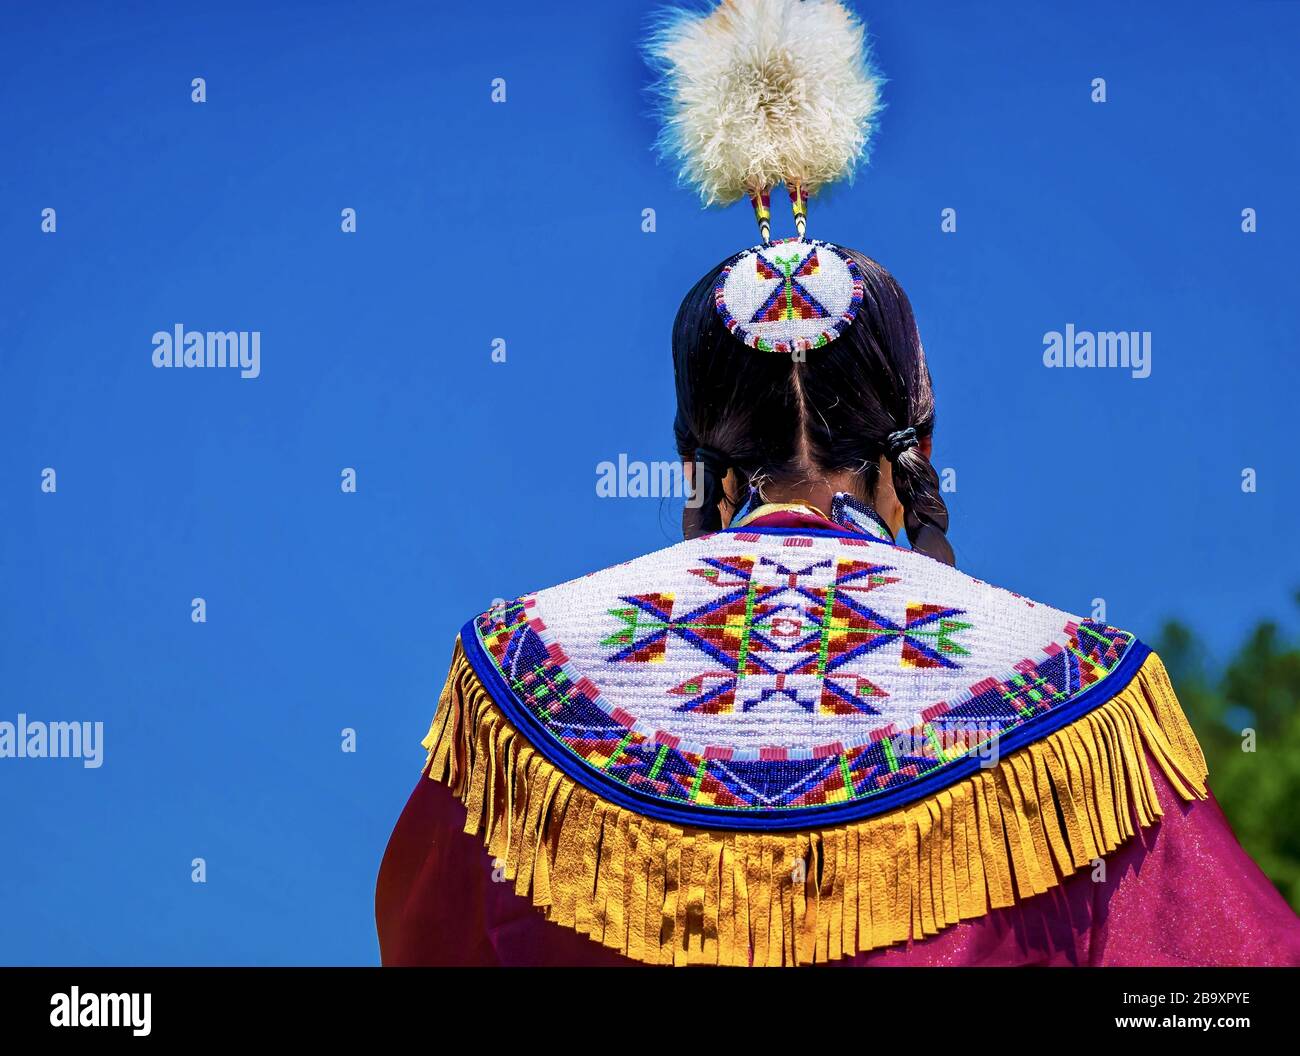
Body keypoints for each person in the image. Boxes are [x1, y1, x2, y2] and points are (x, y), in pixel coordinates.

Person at [375, 0, 1300, 966]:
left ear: (695, 450)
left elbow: (422, 936)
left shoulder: (522, 689)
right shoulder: (1079, 700)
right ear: (917, 437)